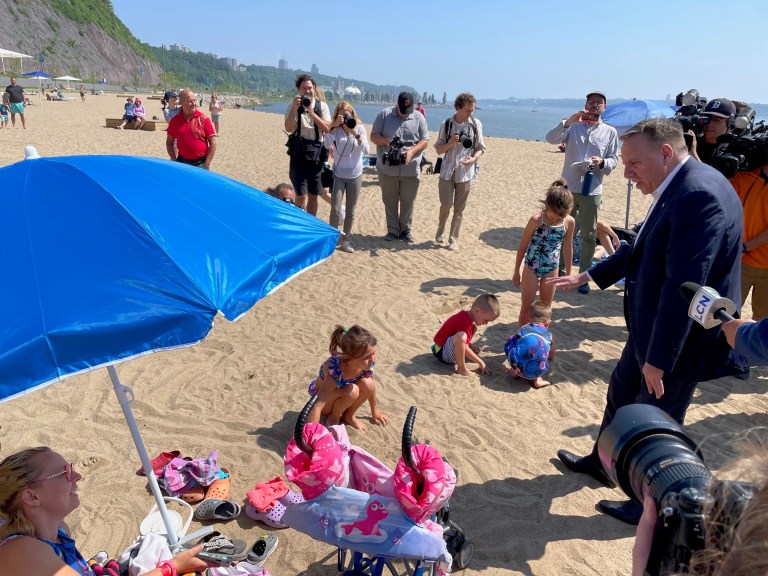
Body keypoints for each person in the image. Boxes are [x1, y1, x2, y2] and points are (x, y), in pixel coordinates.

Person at [548, 118, 743, 525]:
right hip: (647, 328)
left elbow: (685, 285)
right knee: (620, 392)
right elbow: (642, 244)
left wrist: (659, 359)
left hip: (674, 341)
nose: (626, 171)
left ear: (666, 153)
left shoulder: (698, 194)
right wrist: (590, 274)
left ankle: (649, 501)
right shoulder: (678, 183)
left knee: (657, 423)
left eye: (634, 162)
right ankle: (604, 462)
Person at [0, 447, 214, 576]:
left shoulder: (58, 530)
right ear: (32, 497)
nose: (77, 476)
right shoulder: (22, 550)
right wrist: (171, 567)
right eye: (63, 473)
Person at [545, 91, 618, 294]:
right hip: (567, 188)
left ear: (604, 107)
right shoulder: (573, 126)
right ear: (585, 105)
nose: (595, 105)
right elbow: (550, 138)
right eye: (591, 102)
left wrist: (602, 162)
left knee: (588, 235)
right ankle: (558, 271)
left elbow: (614, 158)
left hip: (592, 188)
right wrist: (568, 122)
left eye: (599, 103)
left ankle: (583, 277)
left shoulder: (610, 132)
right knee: (562, 230)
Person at [512, 179, 575, 328]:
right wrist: (516, 271)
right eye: (552, 217)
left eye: (558, 218)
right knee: (527, 309)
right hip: (531, 267)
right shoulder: (536, 220)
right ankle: (521, 339)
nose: (554, 220)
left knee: (545, 311)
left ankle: (541, 340)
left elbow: (568, 248)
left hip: (551, 268)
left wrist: (568, 275)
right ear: (546, 206)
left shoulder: (569, 222)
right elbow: (523, 246)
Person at [371, 92, 430, 243]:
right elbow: (373, 136)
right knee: (389, 200)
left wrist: (411, 152)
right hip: (387, 168)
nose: (405, 115)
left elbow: (425, 140)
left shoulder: (418, 117)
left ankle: (405, 230)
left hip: (411, 167)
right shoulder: (384, 115)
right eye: (403, 111)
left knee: (408, 201)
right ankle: (392, 230)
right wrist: (387, 142)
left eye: (408, 111)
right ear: (397, 105)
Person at [307, 325, 388, 432]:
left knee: (369, 383)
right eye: (367, 357)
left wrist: (375, 411)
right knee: (352, 390)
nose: (372, 359)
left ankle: (348, 416)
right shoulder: (335, 370)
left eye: (374, 353)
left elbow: (371, 388)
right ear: (349, 357)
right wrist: (312, 436)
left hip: (343, 394)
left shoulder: (366, 365)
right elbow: (317, 405)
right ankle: (333, 418)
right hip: (323, 401)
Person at [433, 92, 486, 251]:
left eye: (473, 110)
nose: (471, 113)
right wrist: (450, 143)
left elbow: (481, 148)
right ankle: (440, 230)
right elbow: (438, 149)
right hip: (447, 172)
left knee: (459, 209)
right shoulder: (447, 124)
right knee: (446, 204)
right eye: (468, 110)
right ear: (458, 108)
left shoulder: (476, 125)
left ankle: (453, 239)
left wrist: (474, 159)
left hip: (465, 173)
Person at [323, 101, 369, 253]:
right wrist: (334, 126)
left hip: (355, 175)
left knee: (351, 210)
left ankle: (345, 240)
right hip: (338, 174)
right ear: (336, 116)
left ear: (353, 114)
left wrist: (355, 133)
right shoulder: (335, 130)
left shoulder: (360, 128)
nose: (344, 118)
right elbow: (325, 144)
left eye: (346, 115)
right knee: (335, 209)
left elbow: (367, 150)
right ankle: (332, 238)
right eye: (340, 115)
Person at [284, 74, 331, 215]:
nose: (307, 91)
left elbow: (327, 128)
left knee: (313, 195)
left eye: (310, 88)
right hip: (299, 155)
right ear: (299, 89)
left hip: (316, 157)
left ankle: (311, 223)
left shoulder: (322, 106)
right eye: (304, 88)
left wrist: (312, 113)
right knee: (300, 195)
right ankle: (299, 222)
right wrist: (294, 108)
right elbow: (288, 128)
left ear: (314, 88)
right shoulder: (293, 106)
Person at [729, 158, 768, 320]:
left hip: (750, 260)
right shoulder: (745, 177)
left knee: (763, 324)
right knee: (727, 315)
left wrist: (745, 247)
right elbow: (714, 184)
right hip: (741, 263)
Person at [432, 293, 500, 376]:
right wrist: (480, 362)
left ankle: (462, 357)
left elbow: (461, 340)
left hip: (446, 348)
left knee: (473, 329)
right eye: (486, 320)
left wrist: (471, 346)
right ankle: (461, 369)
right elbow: (461, 340)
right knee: (461, 336)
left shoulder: (469, 320)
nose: (486, 323)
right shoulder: (464, 320)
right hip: (440, 350)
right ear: (477, 310)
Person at [505, 300, 555, 389]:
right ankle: (537, 380)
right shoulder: (549, 335)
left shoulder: (523, 328)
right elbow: (551, 355)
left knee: (511, 341)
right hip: (538, 370)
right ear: (548, 323)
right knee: (539, 355)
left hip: (516, 364)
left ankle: (515, 371)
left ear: (526, 317)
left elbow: (515, 341)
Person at [166, 88, 217, 170]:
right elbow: (169, 143)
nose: (194, 104)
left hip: (200, 164)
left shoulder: (204, 119)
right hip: (182, 162)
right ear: (182, 103)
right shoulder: (175, 121)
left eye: (195, 100)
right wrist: (174, 160)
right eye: (190, 101)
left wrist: (206, 164)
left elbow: (213, 143)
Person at [690, 98, 737, 165]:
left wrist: (693, 155)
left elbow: (714, 175)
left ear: (730, 124)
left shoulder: (732, 152)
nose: (709, 124)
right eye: (707, 118)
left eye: (717, 119)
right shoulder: (692, 141)